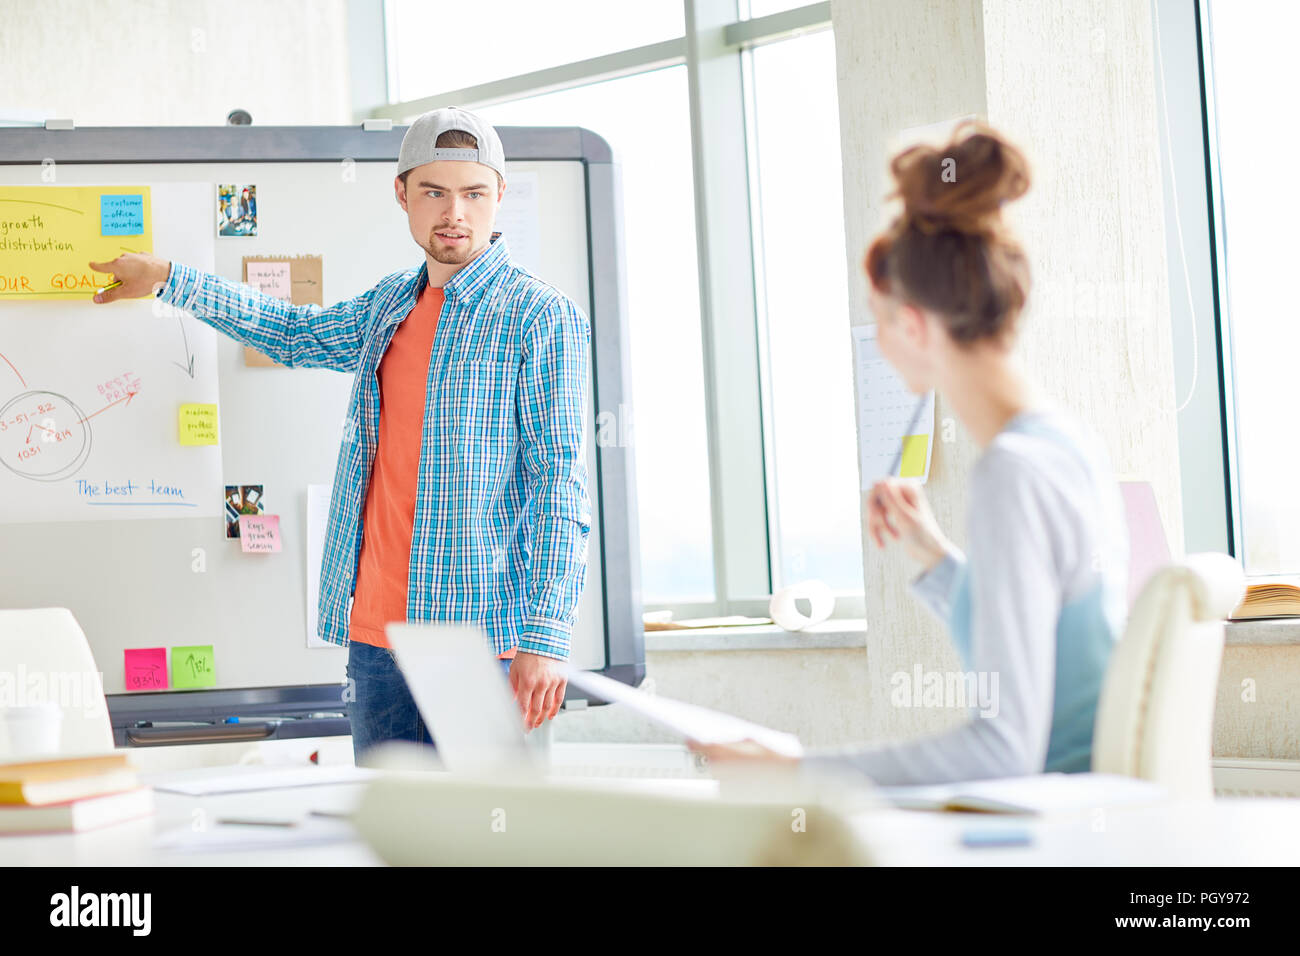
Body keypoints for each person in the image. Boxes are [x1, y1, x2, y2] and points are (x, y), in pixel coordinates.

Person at [88, 107, 591, 762]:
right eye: (434, 191)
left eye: (474, 193)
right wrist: (168, 279)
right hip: (377, 643)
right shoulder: (390, 305)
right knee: (388, 840)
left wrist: (546, 638)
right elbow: (291, 332)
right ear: (402, 194)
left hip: (481, 646)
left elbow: (561, 488)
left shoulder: (540, 318)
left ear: (499, 196)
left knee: (480, 842)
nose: (454, 213)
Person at [693, 122, 1128, 784]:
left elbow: (1001, 749)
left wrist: (794, 770)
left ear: (916, 325)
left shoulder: (1011, 472)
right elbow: (1046, 649)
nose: (879, 344)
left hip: (1049, 827)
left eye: (877, 319)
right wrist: (933, 557)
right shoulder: (1062, 443)